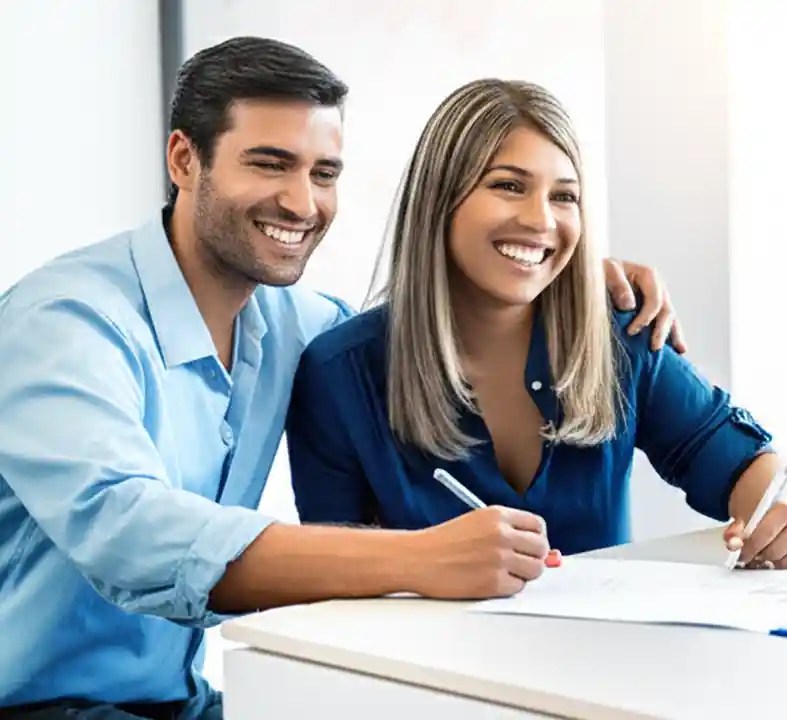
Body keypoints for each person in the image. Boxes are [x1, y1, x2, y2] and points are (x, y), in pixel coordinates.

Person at [0, 37, 683, 718]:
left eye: (323, 174)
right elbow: (129, 532)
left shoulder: (302, 325)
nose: (302, 203)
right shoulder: (66, 321)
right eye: (271, 164)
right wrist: (416, 559)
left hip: (180, 703)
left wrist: (551, 279)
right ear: (184, 159)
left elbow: (421, 328)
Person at [285, 79, 787, 575]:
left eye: (564, 196)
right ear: (440, 201)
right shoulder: (339, 374)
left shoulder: (618, 335)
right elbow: (332, 579)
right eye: (509, 186)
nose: (541, 220)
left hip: (597, 666)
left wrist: (772, 515)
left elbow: (731, 457)